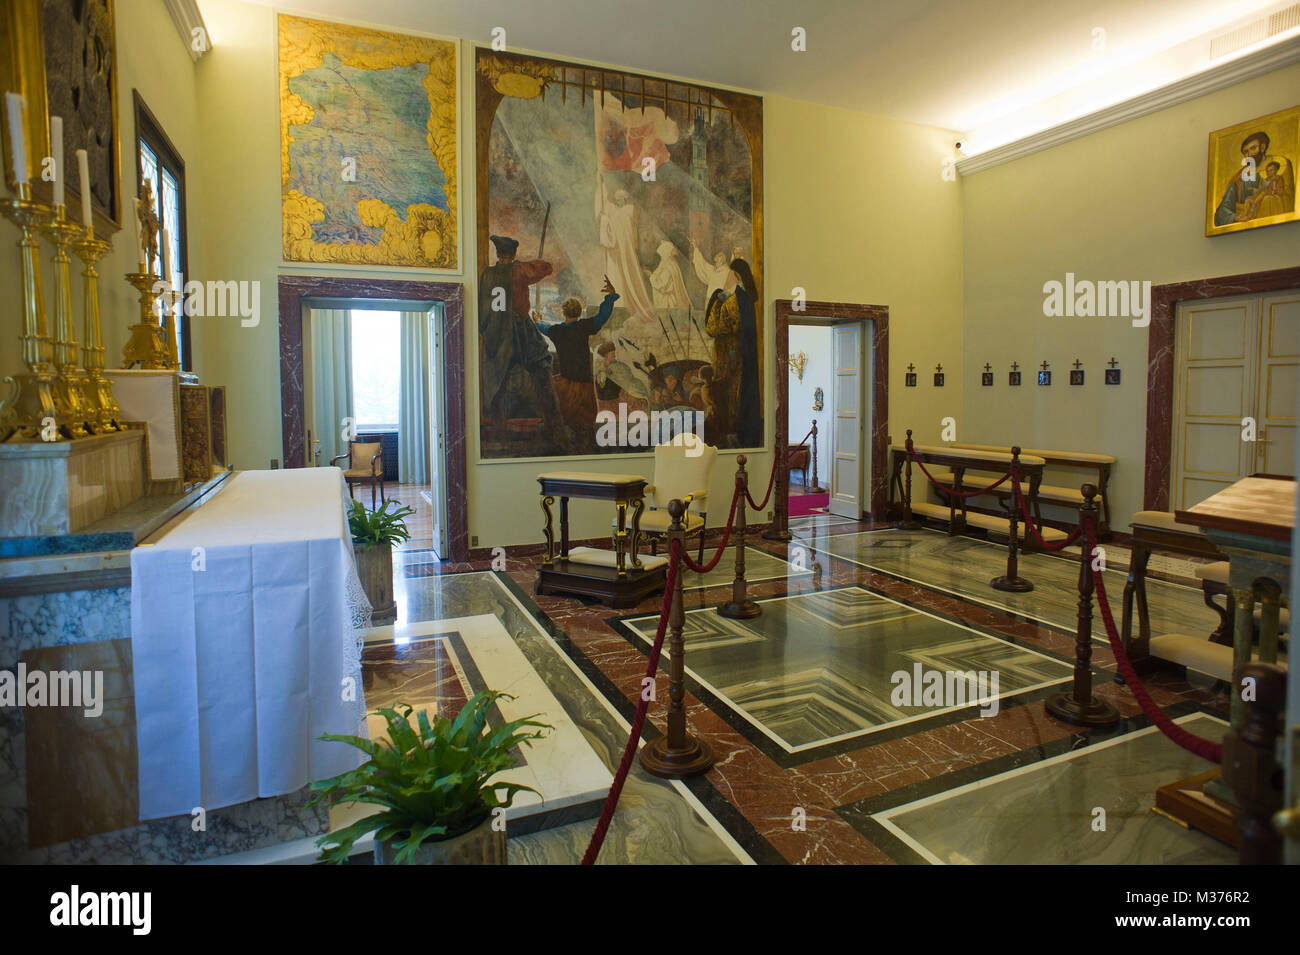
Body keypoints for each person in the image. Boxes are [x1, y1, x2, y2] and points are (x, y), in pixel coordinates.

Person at [477, 234, 574, 450]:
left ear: (498, 254)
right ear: (512, 255)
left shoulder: (487, 274)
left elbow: (482, 310)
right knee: (543, 368)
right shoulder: (518, 270)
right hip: (519, 329)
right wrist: (525, 264)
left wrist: (487, 329)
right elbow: (546, 268)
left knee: (497, 383)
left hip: (495, 333)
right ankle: (556, 429)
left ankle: (499, 436)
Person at [545, 276, 620, 449]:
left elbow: (541, 326)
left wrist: (536, 319)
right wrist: (610, 297)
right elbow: (603, 315)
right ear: (579, 312)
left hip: (566, 384)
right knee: (585, 423)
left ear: (564, 313)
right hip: (584, 385)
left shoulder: (556, 331)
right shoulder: (585, 326)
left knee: (567, 419)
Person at [703, 257, 762, 447]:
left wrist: (716, 302)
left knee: (728, 394)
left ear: (735, 275)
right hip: (740, 353)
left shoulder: (733, 300)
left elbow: (714, 328)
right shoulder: (748, 297)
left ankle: (729, 431)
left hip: (729, 354)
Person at [1214, 131, 1296, 226]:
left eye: (1253, 148)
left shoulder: (1280, 164)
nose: (1249, 155)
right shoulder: (1240, 176)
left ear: (1262, 147)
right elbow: (1223, 209)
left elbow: (1287, 197)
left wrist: (1265, 200)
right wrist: (1236, 217)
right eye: (1245, 152)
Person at [647, 240, 691, 309]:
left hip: (668, 302)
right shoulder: (673, 264)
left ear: (665, 254)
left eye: (662, 255)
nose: (661, 258)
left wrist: (651, 276)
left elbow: (662, 285)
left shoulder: (668, 268)